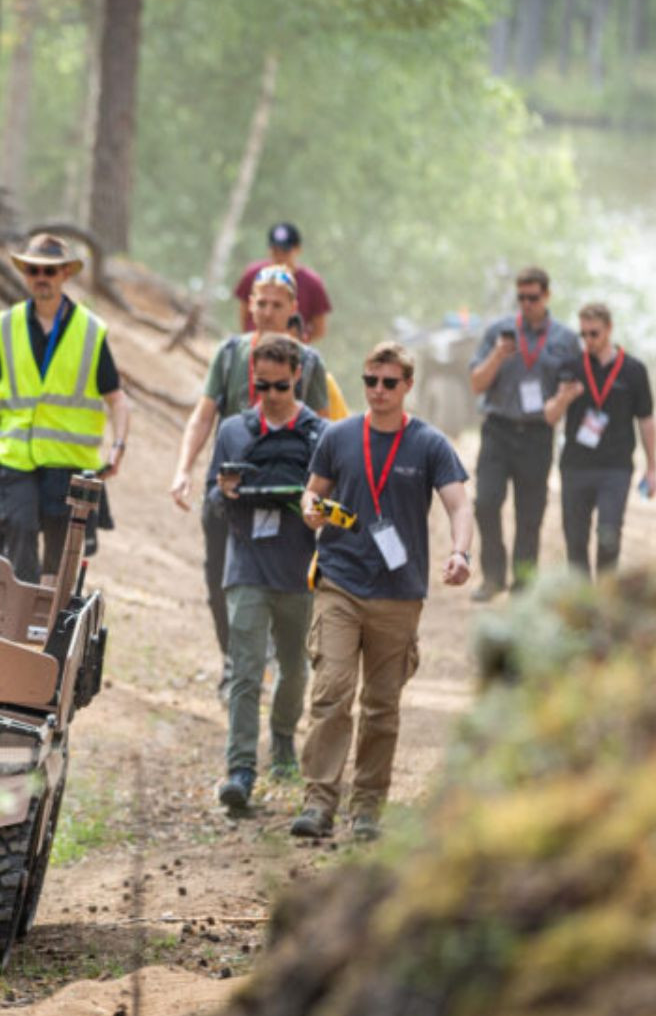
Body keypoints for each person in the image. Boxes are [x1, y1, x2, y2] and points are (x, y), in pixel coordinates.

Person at [293, 342, 473, 843]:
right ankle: (318, 801)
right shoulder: (338, 435)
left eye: (389, 382)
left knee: (380, 705)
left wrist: (461, 553)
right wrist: (310, 508)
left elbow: (459, 505)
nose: (377, 391)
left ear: (408, 385)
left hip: (398, 591)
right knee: (331, 692)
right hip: (339, 581)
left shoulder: (429, 444)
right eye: (370, 381)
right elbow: (313, 490)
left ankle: (367, 807)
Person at [171, 268, 332, 689]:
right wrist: (184, 469)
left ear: (293, 307)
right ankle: (234, 660)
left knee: (284, 581)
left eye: (277, 304)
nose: (267, 312)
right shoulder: (229, 354)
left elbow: (326, 432)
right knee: (219, 577)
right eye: (260, 303)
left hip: (286, 494)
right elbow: (204, 415)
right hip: (231, 488)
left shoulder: (309, 363)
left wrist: (325, 490)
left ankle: (273, 660)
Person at [209, 334, 326, 812]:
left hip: (299, 569)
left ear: (297, 376)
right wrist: (225, 491)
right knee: (245, 669)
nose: (272, 395)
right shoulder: (233, 431)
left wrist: (314, 508)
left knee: (295, 668)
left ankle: (282, 738)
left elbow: (336, 503)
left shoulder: (321, 435)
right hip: (246, 566)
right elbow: (211, 498)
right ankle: (239, 769)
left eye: (281, 386)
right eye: (262, 386)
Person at [0, 234, 132, 583]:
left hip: (69, 464)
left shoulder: (90, 331)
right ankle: (19, 608)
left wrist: (118, 447)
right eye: (33, 270)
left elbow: (117, 399)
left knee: (58, 562)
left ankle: (48, 612)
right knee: (17, 536)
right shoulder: (6, 325)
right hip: (15, 458)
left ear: (65, 273)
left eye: (49, 271)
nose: (41, 277)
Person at [467, 266, 579, 601]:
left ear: (546, 296)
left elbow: (572, 387)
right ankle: (493, 577)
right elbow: (476, 384)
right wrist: (498, 355)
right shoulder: (498, 332)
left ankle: (524, 583)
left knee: (530, 514)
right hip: (498, 429)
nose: (527, 304)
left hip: (537, 434)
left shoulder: (564, 339)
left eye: (533, 297)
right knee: (486, 503)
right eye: (521, 298)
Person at [543, 303, 656, 579]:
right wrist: (564, 398)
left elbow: (646, 420)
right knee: (575, 539)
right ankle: (581, 600)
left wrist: (652, 468)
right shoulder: (570, 368)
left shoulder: (633, 370)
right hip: (575, 466)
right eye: (583, 334)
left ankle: (606, 596)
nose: (588, 340)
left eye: (594, 333)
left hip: (615, 468)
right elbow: (550, 416)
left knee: (609, 535)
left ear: (609, 329)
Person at [233, 222, 332, 344]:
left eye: (285, 252)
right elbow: (243, 314)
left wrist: (296, 344)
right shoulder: (254, 274)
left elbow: (319, 328)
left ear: (297, 250)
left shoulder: (312, 283)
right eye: (275, 251)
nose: (279, 256)